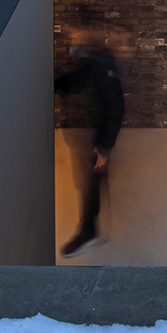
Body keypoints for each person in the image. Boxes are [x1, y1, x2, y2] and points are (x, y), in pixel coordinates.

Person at [54, 18, 125, 259]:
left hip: (99, 138)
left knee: (90, 180)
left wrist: (105, 147)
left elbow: (116, 106)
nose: (71, 44)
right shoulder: (96, 63)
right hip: (94, 135)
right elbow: (76, 81)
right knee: (89, 181)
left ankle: (89, 232)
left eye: (73, 38)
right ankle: (89, 231)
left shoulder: (99, 64)